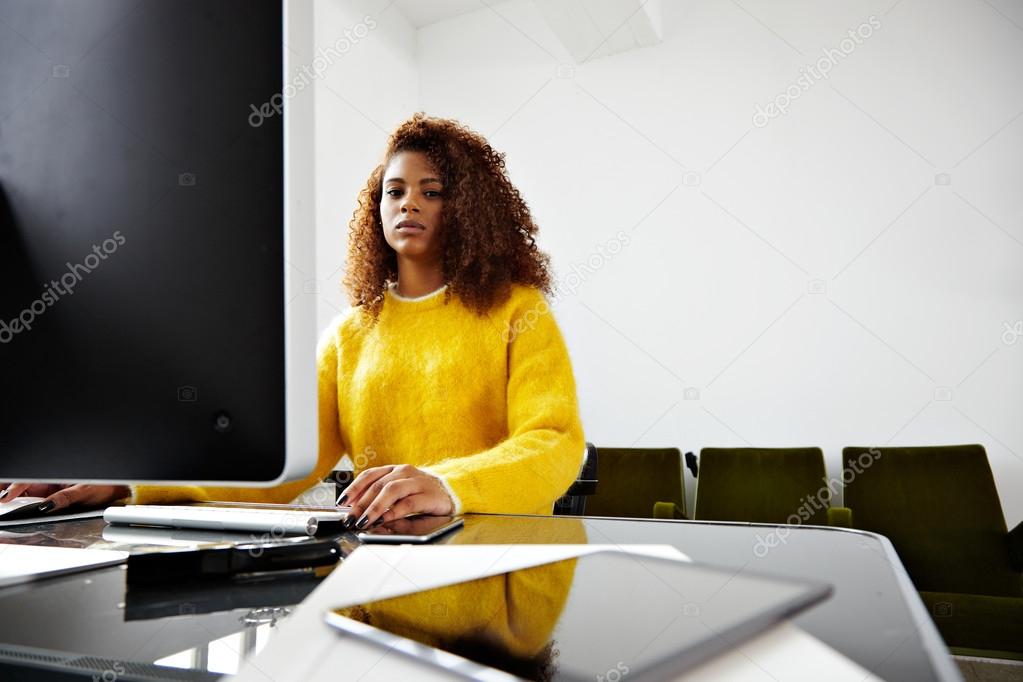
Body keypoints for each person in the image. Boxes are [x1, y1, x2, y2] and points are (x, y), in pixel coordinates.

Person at [0, 113, 586, 528]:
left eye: (432, 192)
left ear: (468, 209)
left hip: (496, 555)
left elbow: (555, 444)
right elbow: (281, 469)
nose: (408, 203)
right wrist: (130, 484)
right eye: (394, 190)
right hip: (377, 566)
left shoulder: (517, 309)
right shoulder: (349, 336)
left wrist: (451, 486)